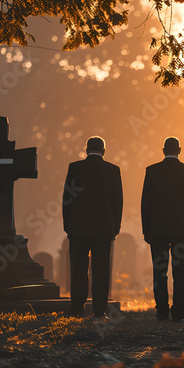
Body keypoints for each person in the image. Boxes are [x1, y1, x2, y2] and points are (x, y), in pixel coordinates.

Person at [62, 136, 123, 318]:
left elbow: (67, 199)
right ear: (103, 151)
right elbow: (117, 202)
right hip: (103, 229)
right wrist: (115, 228)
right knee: (101, 271)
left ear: (86, 149)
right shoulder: (113, 170)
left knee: (78, 270)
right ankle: (99, 311)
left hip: (79, 229)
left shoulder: (75, 168)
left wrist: (68, 225)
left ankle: (77, 308)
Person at [141, 137, 184, 321]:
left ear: (163, 150)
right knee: (180, 274)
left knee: (160, 273)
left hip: (157, 231)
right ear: (179, 150)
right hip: (181, 231)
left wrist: (146, 230)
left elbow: (146, 204)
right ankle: (179, 312)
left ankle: (161, 310)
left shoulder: (152, 171)